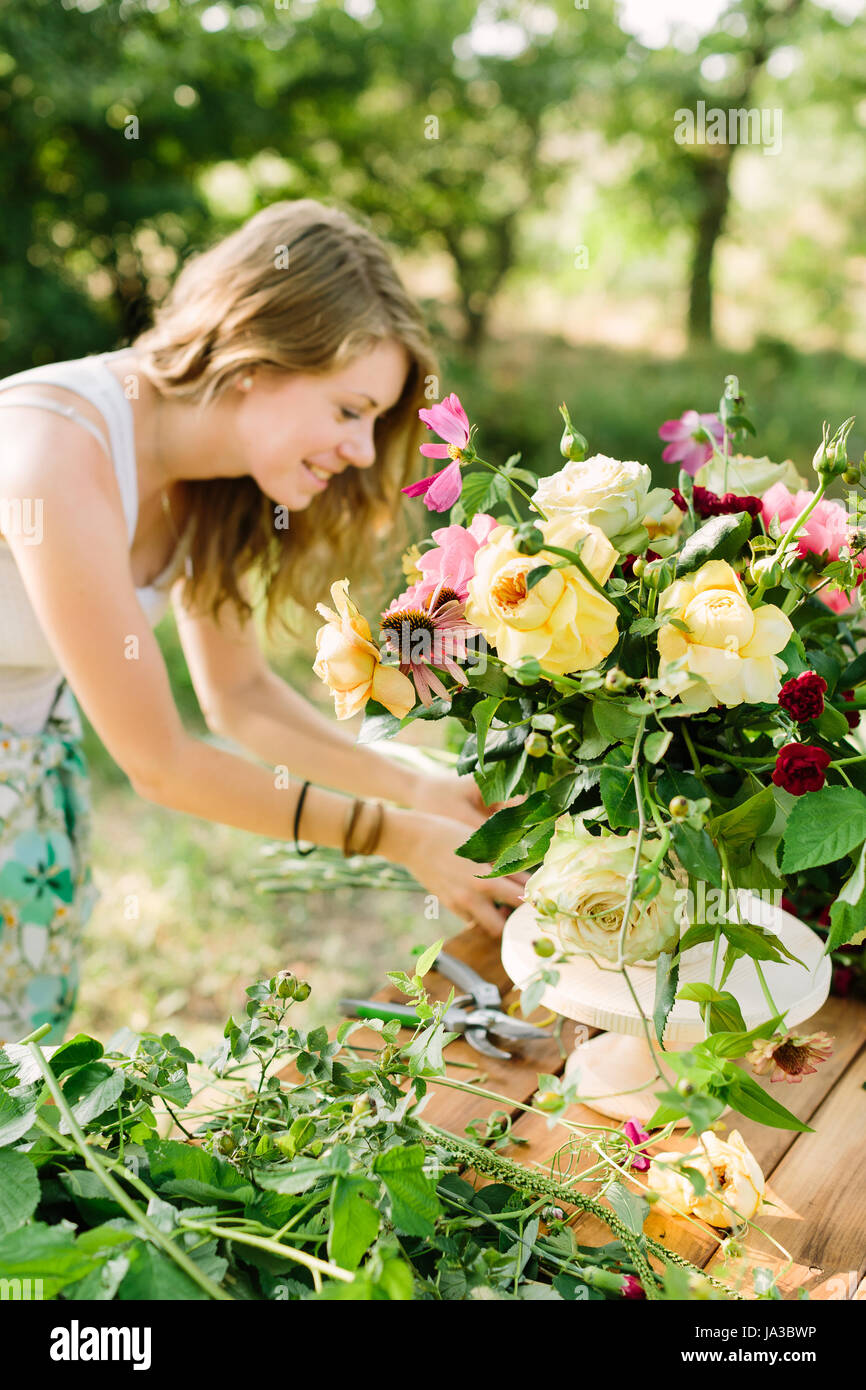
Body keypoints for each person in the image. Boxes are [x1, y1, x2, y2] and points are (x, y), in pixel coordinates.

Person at [0, 198, 524, 1045]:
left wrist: (414, 785)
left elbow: (239, 696)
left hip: (23, 771)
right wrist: (394, 836)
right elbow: (161, 766)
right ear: (255, 358)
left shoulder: (214, 476)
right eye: (350, 409)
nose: (361, 451)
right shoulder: (55, 457)